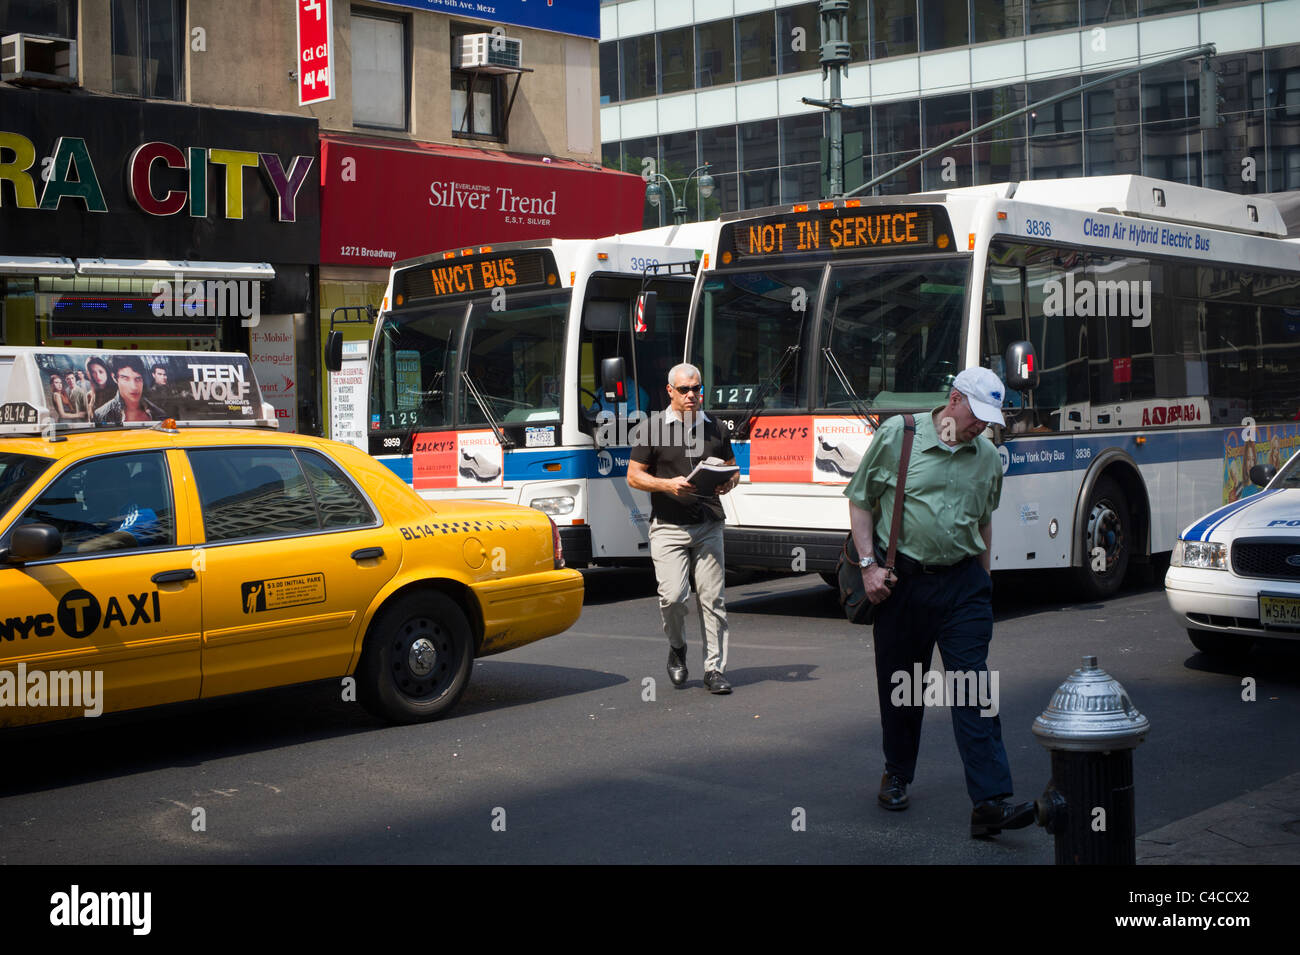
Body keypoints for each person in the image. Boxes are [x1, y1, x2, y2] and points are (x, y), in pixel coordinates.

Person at [845, 367, 1037, 838]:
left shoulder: (988, 456)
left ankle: (991, 802)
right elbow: (860, 500)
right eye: (977, 415)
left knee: (973, 687)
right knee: (902, 686)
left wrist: (985, 582)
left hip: (965, 585)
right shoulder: (900, 435)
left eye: (991, 420)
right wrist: (869, 566)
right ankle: (897, 773)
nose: (983, 427)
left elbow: (985, 521)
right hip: (903, 582)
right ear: (953, 399)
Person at [627, 362, 740, 694]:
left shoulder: (716, 427)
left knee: (713, 599)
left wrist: (728, 482)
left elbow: (733, 469)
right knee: (673, 597)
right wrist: (668, 485)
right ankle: (677, 648)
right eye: (685, 390)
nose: (692, 395)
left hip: (708, 523)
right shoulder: (651, 429)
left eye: (697, 389)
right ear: (670, 392)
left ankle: (714, 669)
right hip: (668, 526)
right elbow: (634, 476)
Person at [93, 354, 166, 425]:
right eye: (125, 378)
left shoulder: (159, 414)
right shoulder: (102, 415)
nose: (133, 387)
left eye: (138, 379)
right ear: (115, 378)